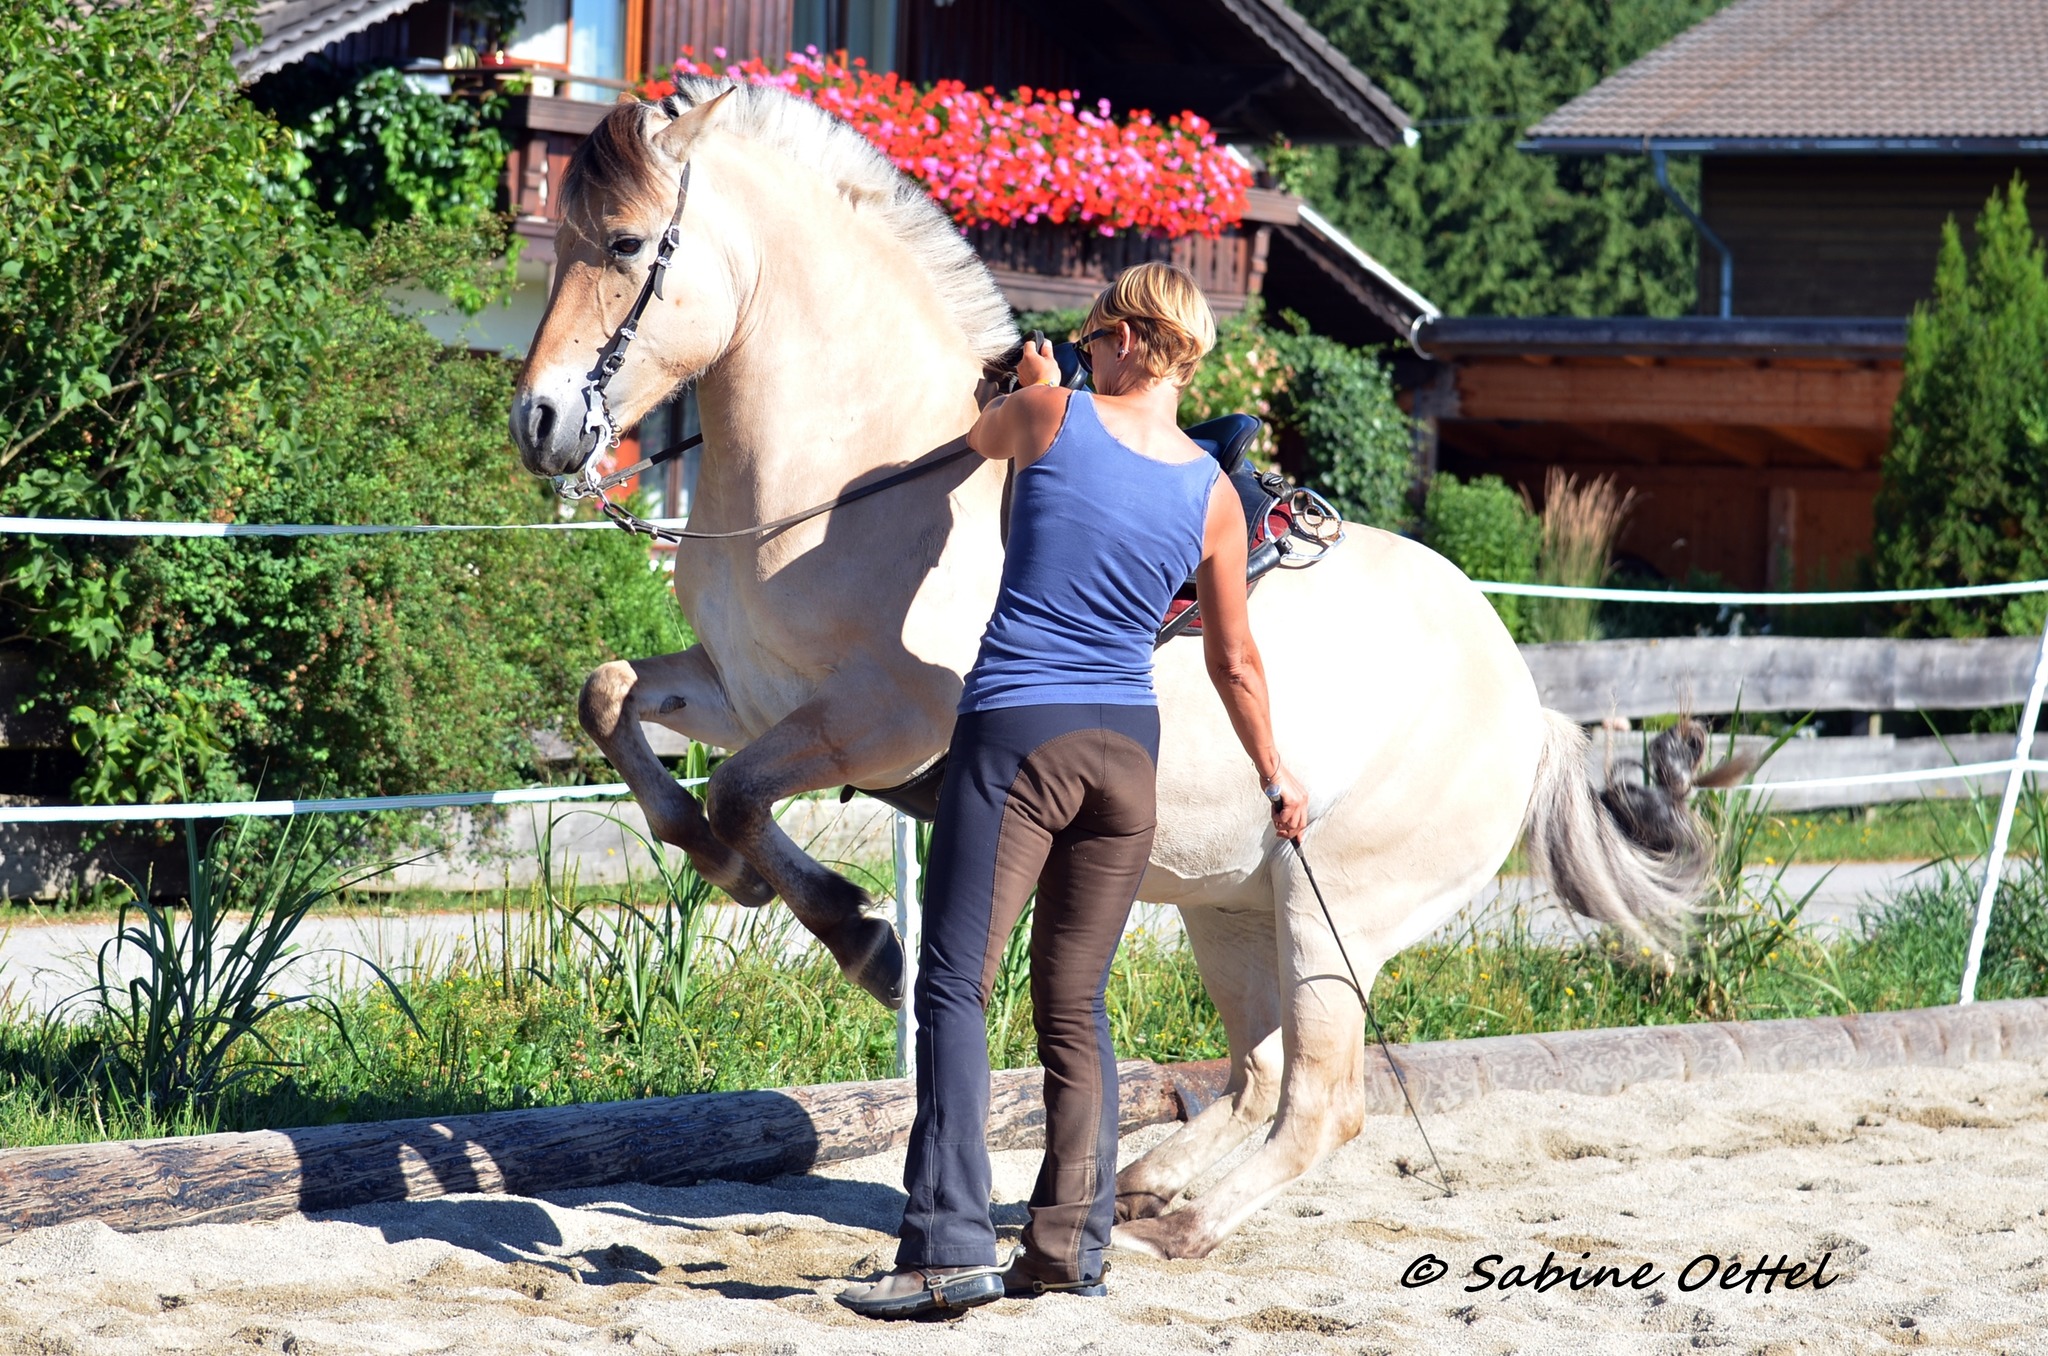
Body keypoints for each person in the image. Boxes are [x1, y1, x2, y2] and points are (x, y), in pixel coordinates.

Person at [838, 262, 1309, 1320]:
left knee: (955, 983)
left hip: (1020, 733)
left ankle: (945, 1246)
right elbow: (1235, 663)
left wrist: (1033, 386)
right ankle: (1066, 1249)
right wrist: (1275, 774)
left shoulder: (1051, 414)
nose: (1086, 352)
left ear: (1136, 341)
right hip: (1123, 758)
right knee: (1072, 1002)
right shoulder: (1215, 495)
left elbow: (972, 445)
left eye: (1097, 336)